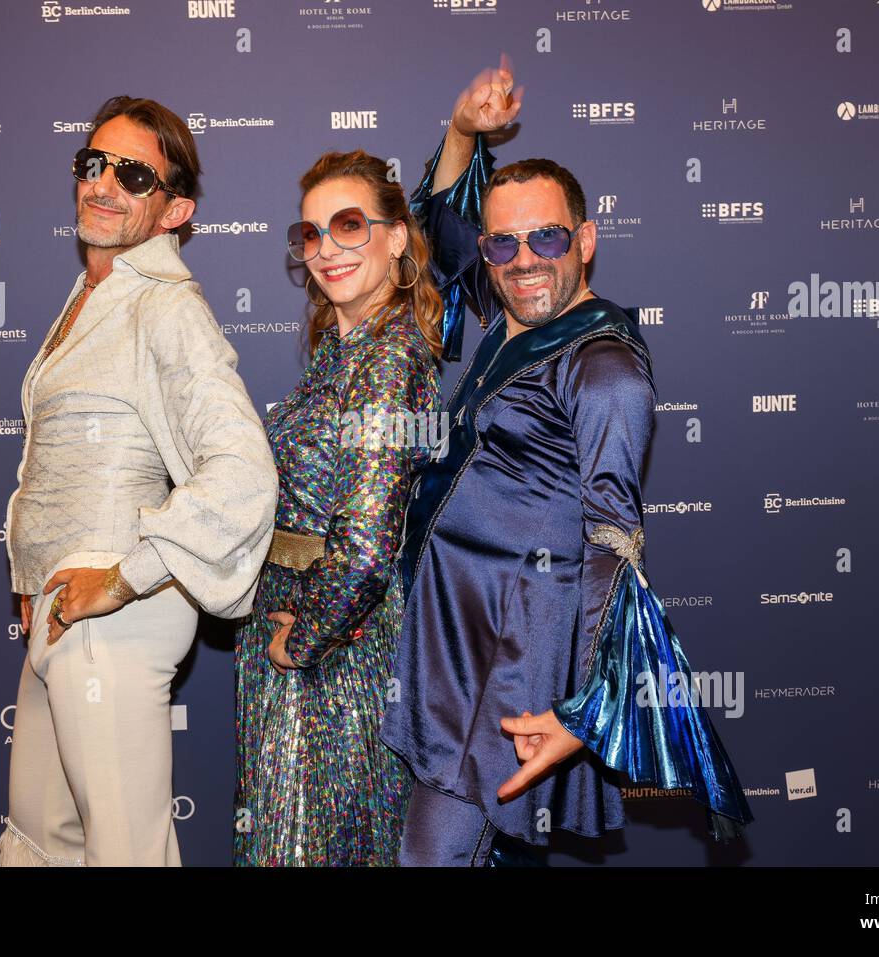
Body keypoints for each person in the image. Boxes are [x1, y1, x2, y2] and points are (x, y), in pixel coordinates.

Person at [381, 60, 754, 866]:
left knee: (435, 855)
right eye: (504, 242)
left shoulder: (602, 366)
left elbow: (612, 543)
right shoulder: (513, 316)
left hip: (511, 661)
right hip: (456, 637)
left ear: (584, 240)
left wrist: (582, 710)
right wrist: (460, 131)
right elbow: (441, 250)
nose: (524, 259)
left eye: (547, 237)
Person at [0, 95, 277, 867]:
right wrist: (36, 571)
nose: (103, 182)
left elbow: (245, 472)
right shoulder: (96, 294)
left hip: (111, 626)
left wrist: (126, 577)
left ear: (174, 206)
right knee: (40, 841)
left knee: (124, 856)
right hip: (66, 614)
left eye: (132, 173)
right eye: (93, 163)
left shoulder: (165, 306)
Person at [233, 151, 442, 866]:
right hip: (301, 638)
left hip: (336, 656)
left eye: (348, 225)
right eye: (311, 234)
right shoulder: (340, 350)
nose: (325, 248)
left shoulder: (389, 358)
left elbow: (366, 545)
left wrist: (307, 636)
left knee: (323, 844)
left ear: (395, 238)